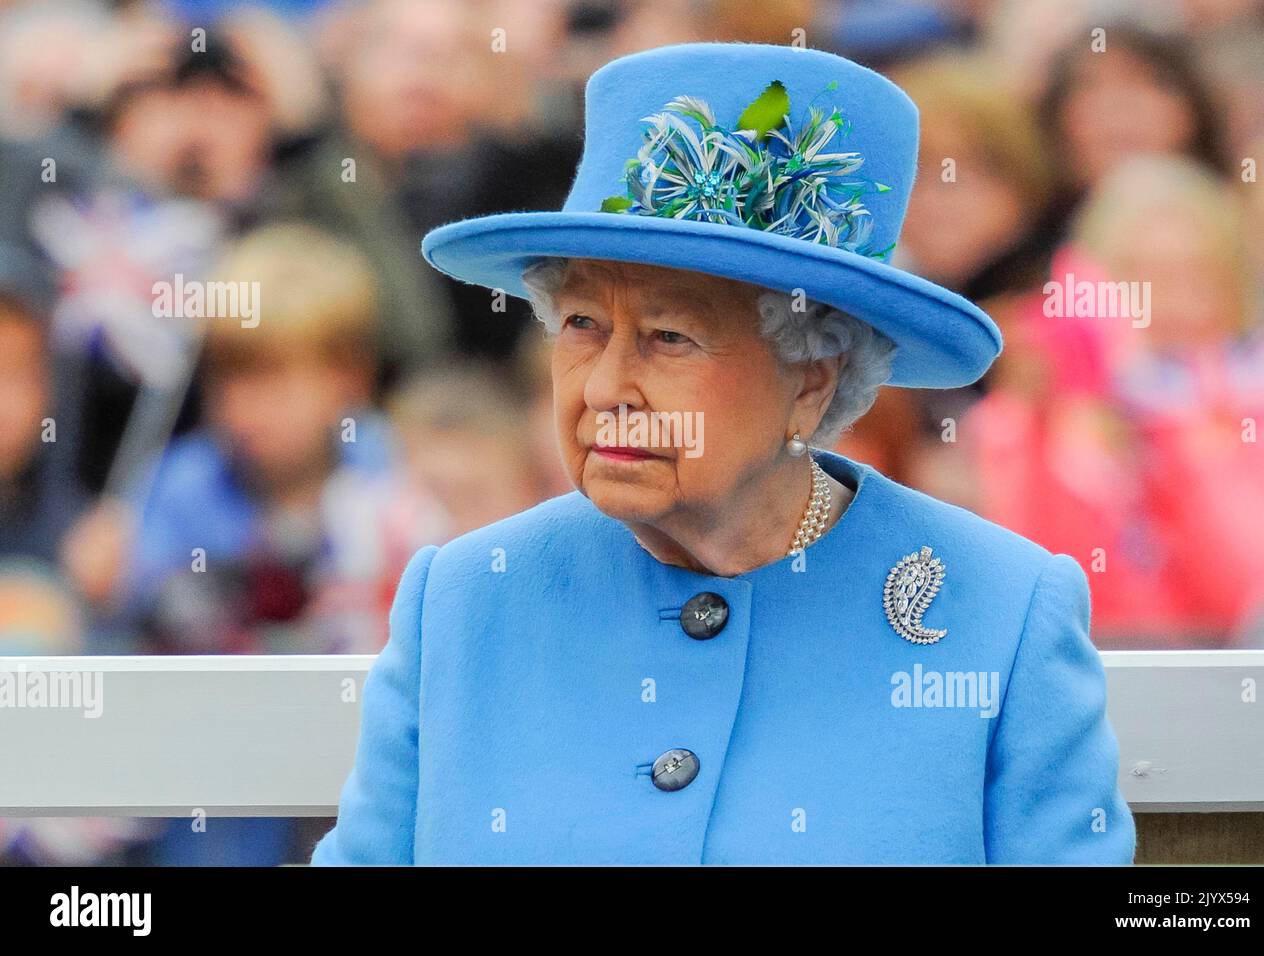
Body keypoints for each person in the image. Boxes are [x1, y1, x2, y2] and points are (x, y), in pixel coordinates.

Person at [312, 42, 1136, 865]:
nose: (603, 387)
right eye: (580, 324)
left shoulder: (999, 612)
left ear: (812, 379)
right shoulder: (464, 600)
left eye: (669, 336)